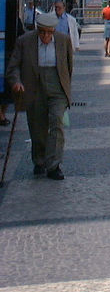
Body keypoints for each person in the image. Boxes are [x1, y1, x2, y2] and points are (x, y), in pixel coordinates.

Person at [5, 12, 74, 180]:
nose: (46, 36)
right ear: (37, 30)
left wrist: (65, 88)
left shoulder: (63, 40)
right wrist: (16, 82)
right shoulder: (25, 41)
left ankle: (54, 165)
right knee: (37, 126)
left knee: (57, 122)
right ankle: (39, 160)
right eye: (42, 32)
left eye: (49, 33)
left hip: (56, 85)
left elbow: (68, 65)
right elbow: (13, 66)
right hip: (34, 86)